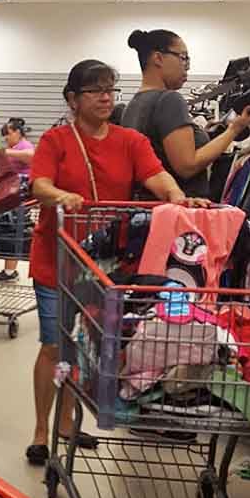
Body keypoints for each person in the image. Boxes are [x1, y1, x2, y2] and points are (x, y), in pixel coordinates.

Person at [26, 58, 194, 467]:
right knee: (54, 343)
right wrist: (60, 196)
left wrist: (176, 196)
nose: (105, 97)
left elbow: (157, 176)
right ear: (73, 99)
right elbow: (39, 184)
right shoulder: (56, 140)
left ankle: (66, 422)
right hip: (56, 258)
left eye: (110, 89)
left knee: (84, 344)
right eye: (95, 90)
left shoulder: (130, 141)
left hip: (105, 264)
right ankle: (40, 430)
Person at [123, 29, 250, 197]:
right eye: (183, 57)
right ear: (158, 58)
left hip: (147, 205)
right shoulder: (169, 100)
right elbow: (187, 166)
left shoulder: (132, 105)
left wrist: (203, 134)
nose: (188, 66)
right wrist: (234, 129)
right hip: (178, 206)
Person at [0, 118, 35, 281]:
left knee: (13, 231)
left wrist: (7, 152)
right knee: (9, 231)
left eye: (9, 134)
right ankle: (9, 270)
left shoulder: (25, 146)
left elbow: (32, 156)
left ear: (18, 132)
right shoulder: (14, 147)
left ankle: (10, 271)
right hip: (10, 196)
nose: (6, 138)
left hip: (19, 198)